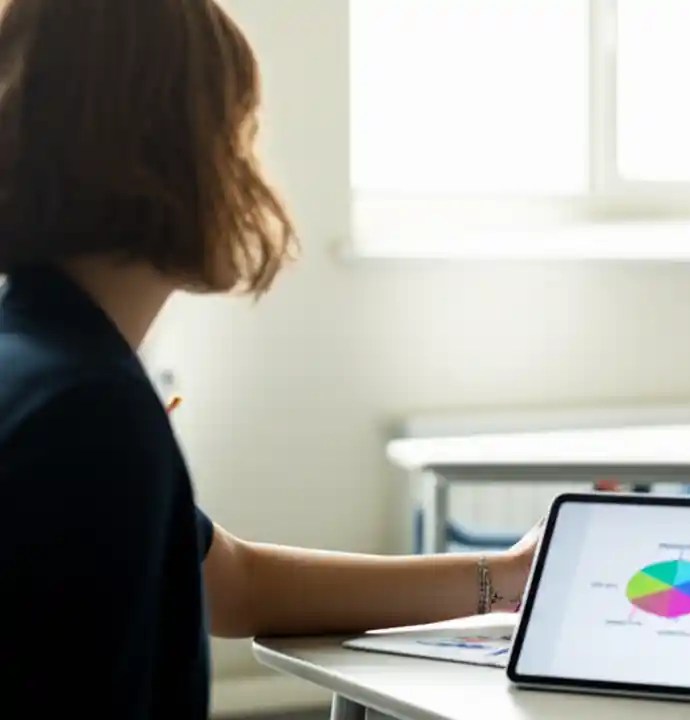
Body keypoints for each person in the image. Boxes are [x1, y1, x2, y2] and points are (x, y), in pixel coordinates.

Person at [0, 1, 541, 716]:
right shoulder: (89, 413)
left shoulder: (37, 363)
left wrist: (504, 576)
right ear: (173, 153)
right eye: (238, 132)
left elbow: (232, 583)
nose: (250, 168)